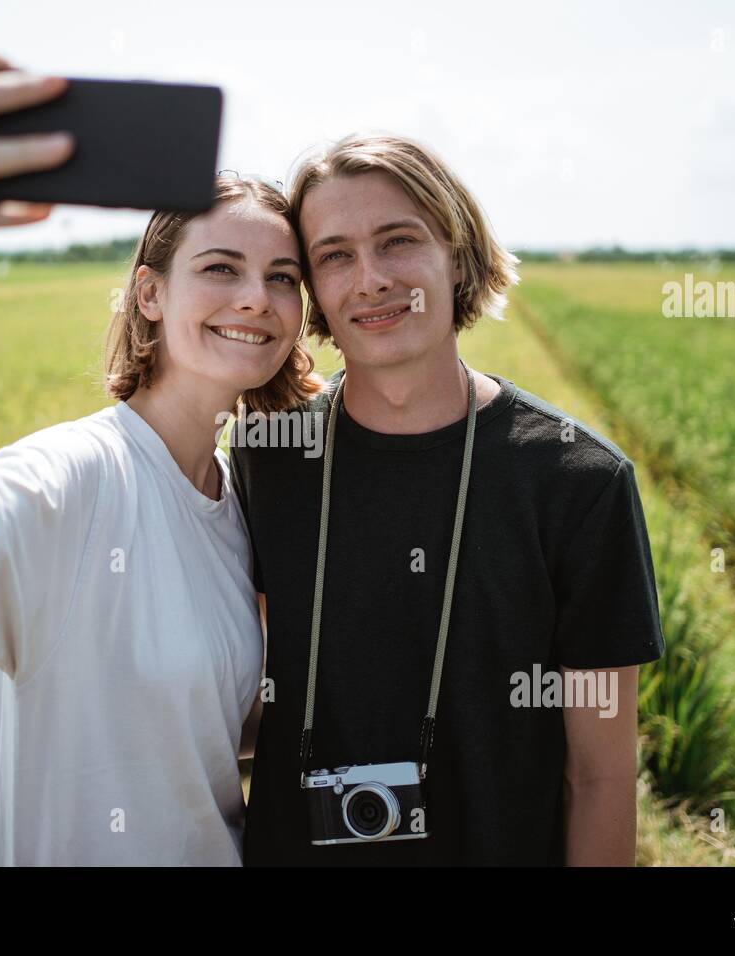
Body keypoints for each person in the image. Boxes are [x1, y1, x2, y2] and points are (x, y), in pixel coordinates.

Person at [0, 48, 319, 865]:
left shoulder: (248, 499)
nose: (256, 297)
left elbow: (206, 739)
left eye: (283, 276)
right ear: (149, 294)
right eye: (221, 268)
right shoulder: (81, 473)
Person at [229, 133, 666, 866]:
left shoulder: (580, 483)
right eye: (334, 254)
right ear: (312, 288)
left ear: (457, 256)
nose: (368, 279)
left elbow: (599, 776)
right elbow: (254, 691)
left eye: (397, 241)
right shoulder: (267, 461)